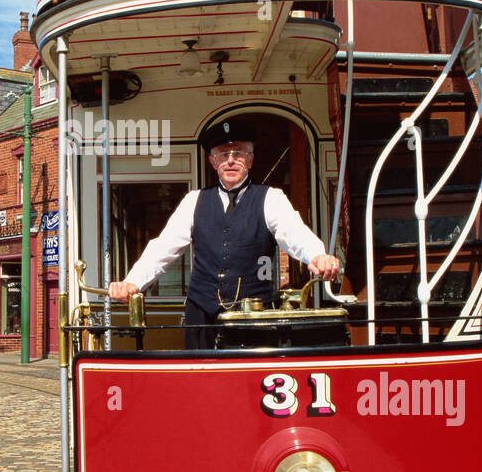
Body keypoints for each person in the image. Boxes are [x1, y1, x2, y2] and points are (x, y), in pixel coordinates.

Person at [108, 119, 340, 349]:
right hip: (201, 318)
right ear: (212, 161)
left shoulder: (271, 198)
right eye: (223, 153)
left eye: (238, 153)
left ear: (250, 160)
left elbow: (294, 233)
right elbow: (163, 248)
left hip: (253, 319)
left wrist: (317, 255)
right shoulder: (194, 201)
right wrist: (132, 282)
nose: (230, 160)